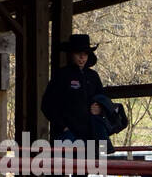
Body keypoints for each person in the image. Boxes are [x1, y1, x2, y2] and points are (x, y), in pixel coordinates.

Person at [42, 34, 114, 166]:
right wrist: (62, 126)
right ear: (71, 55)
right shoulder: (62, 75)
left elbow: (103, 99)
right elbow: (47, 104)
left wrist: (100, 108)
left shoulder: (93, 77)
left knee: (81, 175)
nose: (82, 57)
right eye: (78, 53)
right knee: (58, 172)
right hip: (66, 134)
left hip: (88, 133)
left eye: (85, 54)